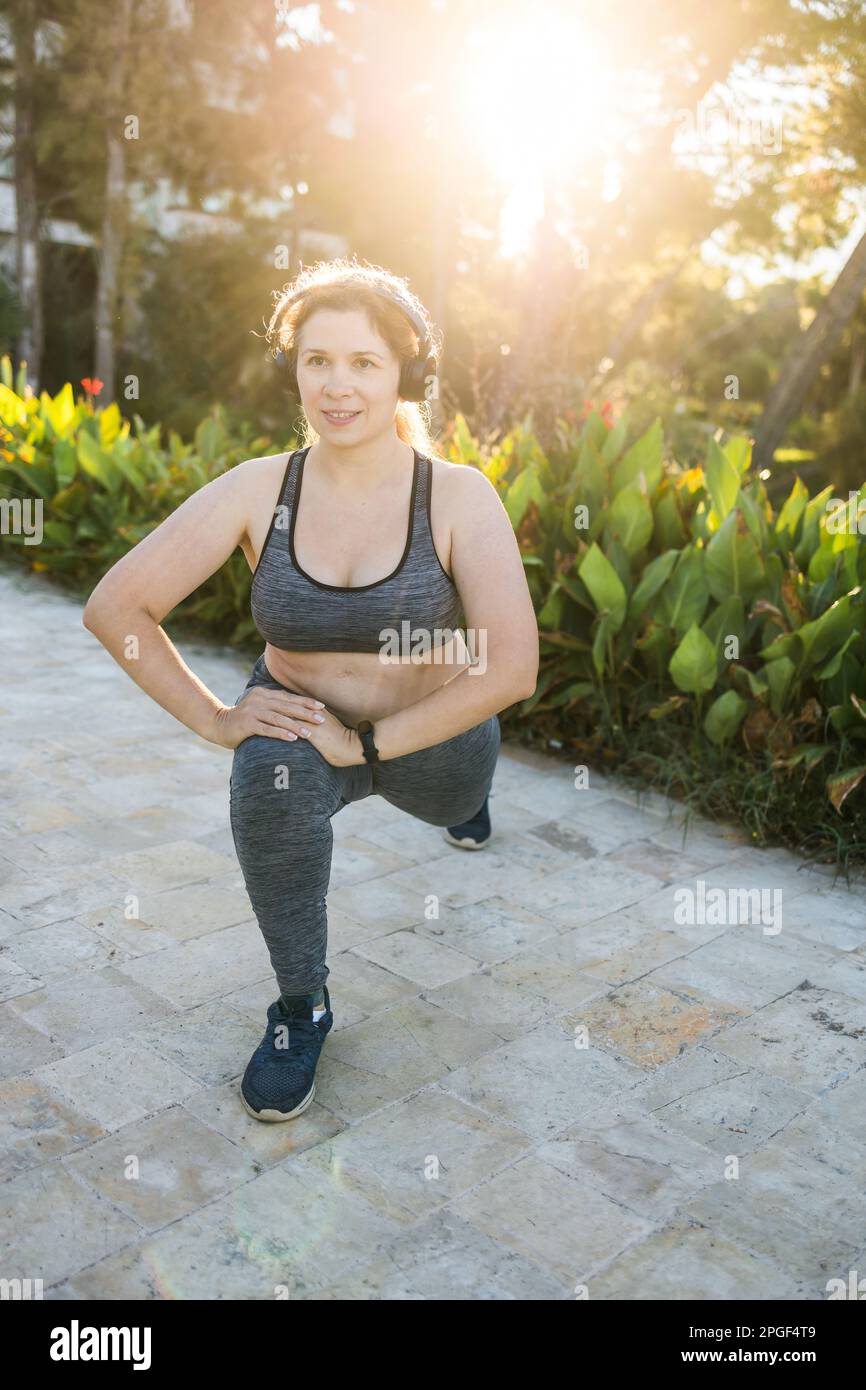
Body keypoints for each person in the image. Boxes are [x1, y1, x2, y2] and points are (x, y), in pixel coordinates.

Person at [82, 256, 539, 1123]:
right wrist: (217, 718)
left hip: (430, 742)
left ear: (405, 372)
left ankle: (467, 807)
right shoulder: (260, 489)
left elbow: (511, 667)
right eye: (317, 360)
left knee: (456, 802)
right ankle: (302, 1008)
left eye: (363, 362)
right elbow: (117, 606)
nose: (337, 386)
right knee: (268, 783)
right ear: (293, 370)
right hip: (304, 727)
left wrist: (365, 746)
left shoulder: (457, 496)